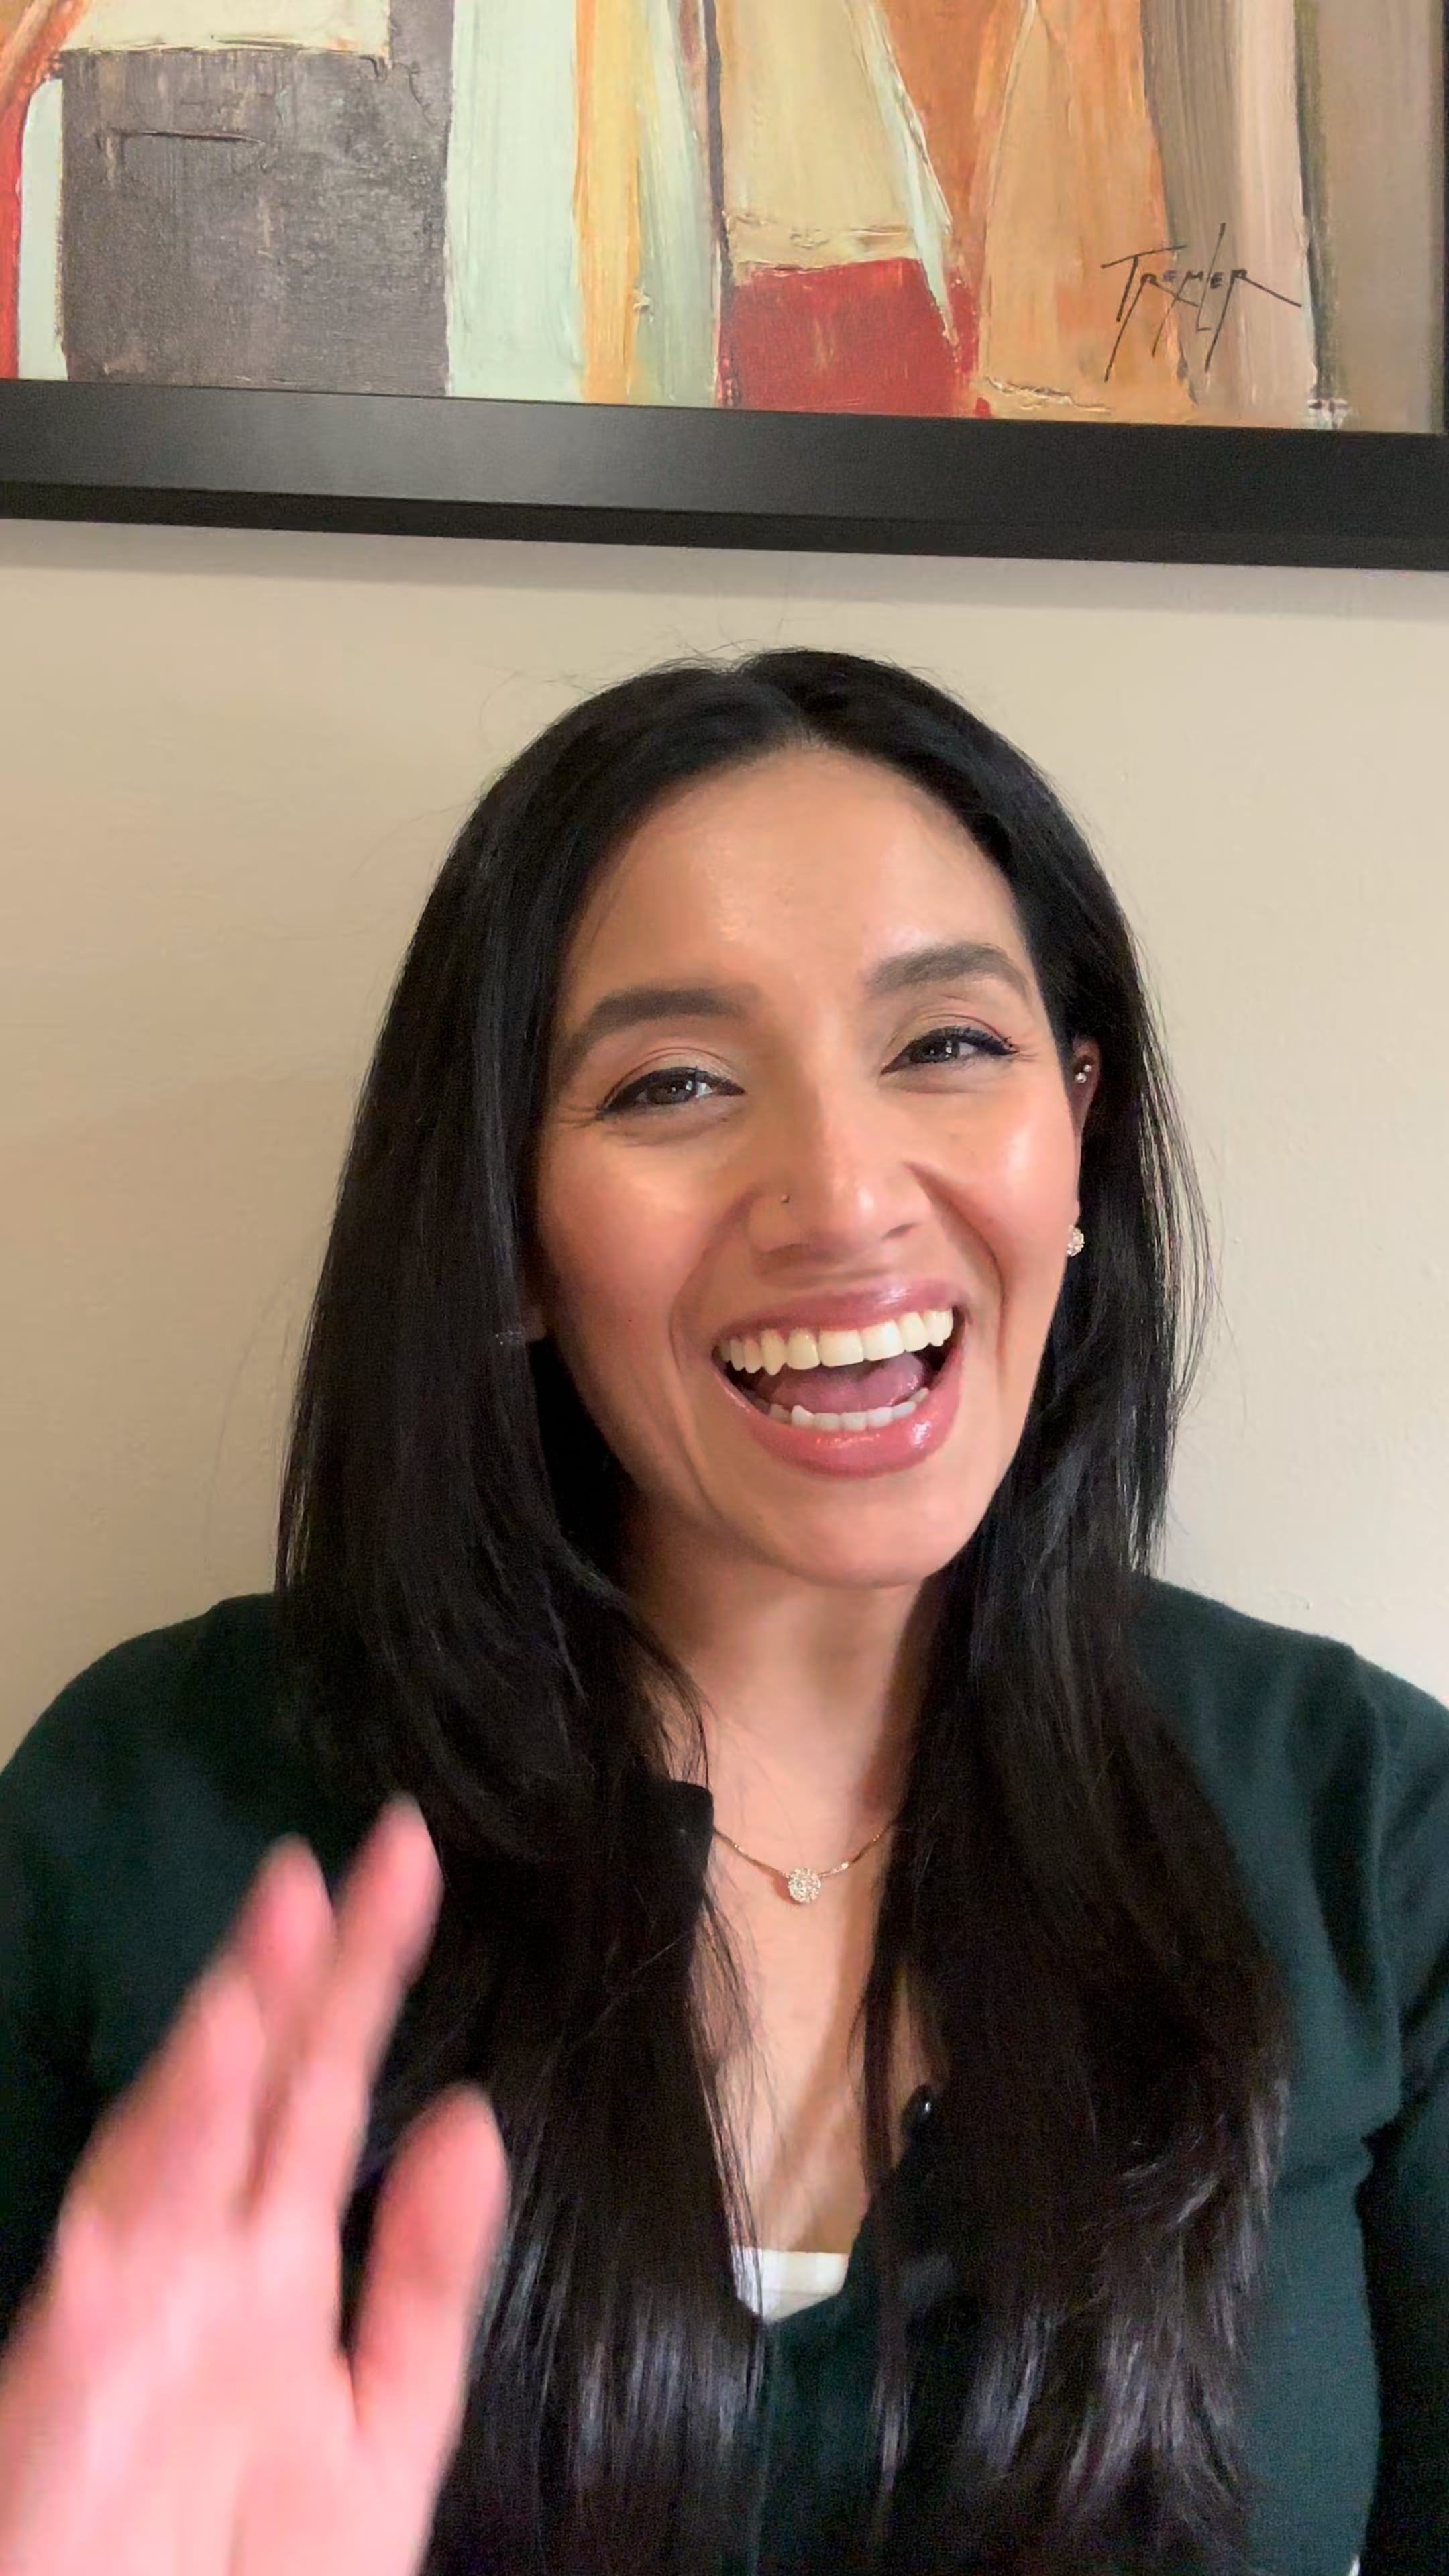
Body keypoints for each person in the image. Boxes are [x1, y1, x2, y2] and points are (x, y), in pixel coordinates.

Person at [0, 649, 1443, 2576]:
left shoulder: (1370, 1828)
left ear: (1080, 1136)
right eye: (672, 1083)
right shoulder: (151, 1807)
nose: (843, 1196)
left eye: (947, 1045)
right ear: (509, 1232)